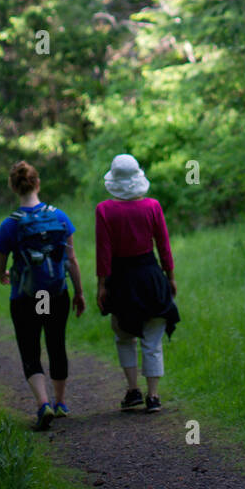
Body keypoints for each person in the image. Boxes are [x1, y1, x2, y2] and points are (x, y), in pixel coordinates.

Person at [0, 160, 85, 430]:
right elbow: (71, 260)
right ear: (38, 183)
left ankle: (42, 403)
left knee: (30, 348)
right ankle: (61, 402)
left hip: (25, 298)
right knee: (56, 344)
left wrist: (3, 274)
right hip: (55, 294)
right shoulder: (60, 217)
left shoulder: (10, 225)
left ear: (13, 187)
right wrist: (79, 292)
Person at [95, 153, 179, 413]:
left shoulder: (104, 210)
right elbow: (164, 246)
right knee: (152, 341)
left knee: (124, 337)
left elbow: (104, 252)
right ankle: (153, 396)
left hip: (121, 279)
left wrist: (102, 285)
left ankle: (133, 391)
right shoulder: (153, 206)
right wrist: (170, 277)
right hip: (151, 276)